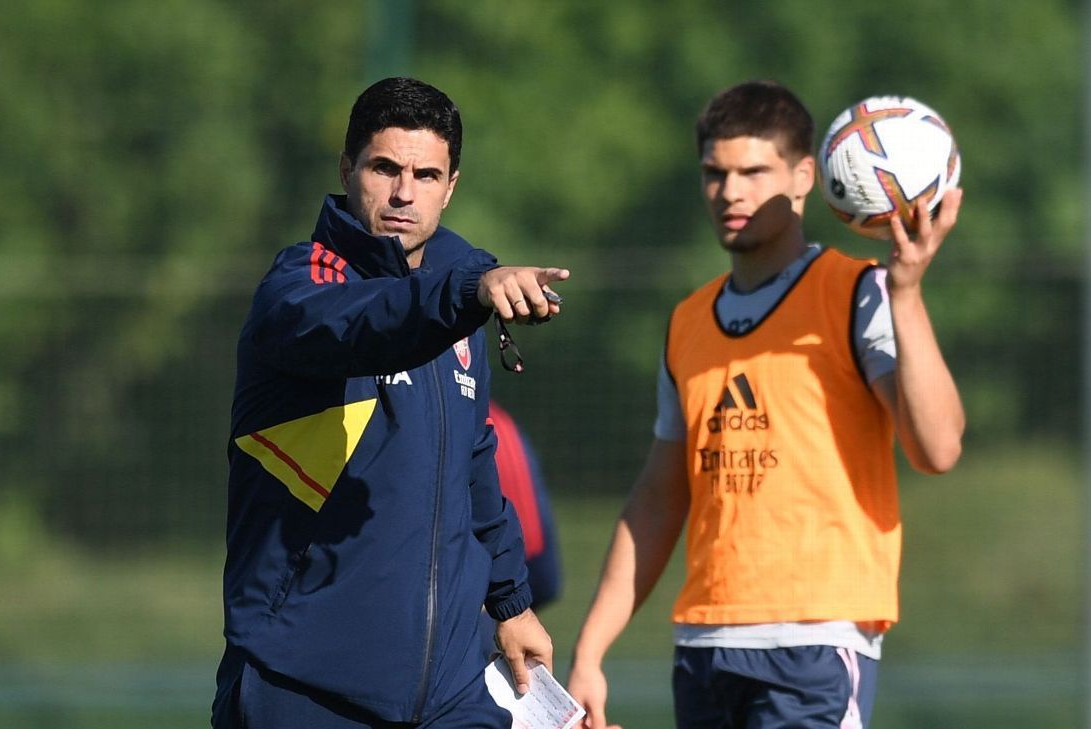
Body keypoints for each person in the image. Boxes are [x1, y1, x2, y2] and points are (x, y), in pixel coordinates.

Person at [566, 80, 965, 729]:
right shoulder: (688, 321)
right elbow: (658, 499)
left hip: (813, 645)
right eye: (714, 174)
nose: (731, 191)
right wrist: (590, 649)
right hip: (705, 646)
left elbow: (938, 446)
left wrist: (908, 293)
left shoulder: (858, 293)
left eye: (754, 171)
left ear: (805, 177)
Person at [212, 77, 569, 729]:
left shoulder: (460, 297)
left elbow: (474, 463)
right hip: (304, 686)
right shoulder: (301, 289)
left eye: (427, 174)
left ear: (451, 185)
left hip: (451, 693)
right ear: (348, 168)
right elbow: (374, 322)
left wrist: (513, 602)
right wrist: (464, 293)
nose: (406, 192)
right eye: (385, 168)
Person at [479, 400, 564, 658]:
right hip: (520, 591)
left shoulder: (466, 420)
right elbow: (546, 578)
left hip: (485, 607)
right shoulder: (498, 420)